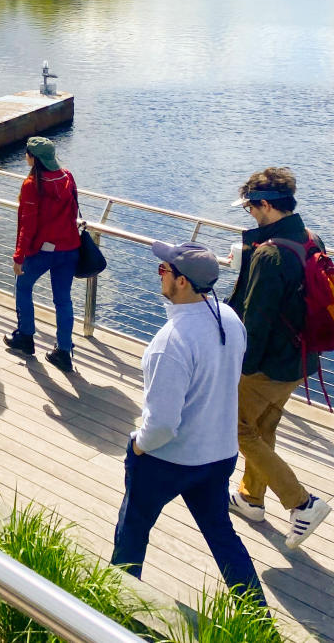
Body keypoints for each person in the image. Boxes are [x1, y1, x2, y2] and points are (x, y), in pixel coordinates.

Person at [111, 241, 265, 604]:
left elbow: (162, 424)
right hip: (218, 454)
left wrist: (137, 445)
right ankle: (258, 618)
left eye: (163, 270)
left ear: (182, 282)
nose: (159, 274)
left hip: (169, 460)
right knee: (222, 536)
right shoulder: (229, 318)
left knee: (132, 530)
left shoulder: (170, 343)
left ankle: (115, 605)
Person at [227, 167, 332, 549]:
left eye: (252, 208)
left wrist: (239, 367)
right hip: (300, 361)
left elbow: (255, 322)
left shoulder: (270, 255)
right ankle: (251, 499)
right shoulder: (310, 239)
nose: (250, 214)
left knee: (238, 429)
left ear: (267, 205)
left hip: (267, 366)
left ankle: (301, 502)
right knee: (263, 427)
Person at [4, 136, 81, 371]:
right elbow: (74, 209)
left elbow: (27, 225)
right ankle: (64, 351)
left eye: (27, 153)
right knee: (63, 300)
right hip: (69, 248)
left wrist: (19, 257)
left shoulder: (32, 184)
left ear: (34, 158)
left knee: (23, 286)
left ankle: (26, 337)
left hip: (41, 251)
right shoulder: (67, 177)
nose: (25, 156)